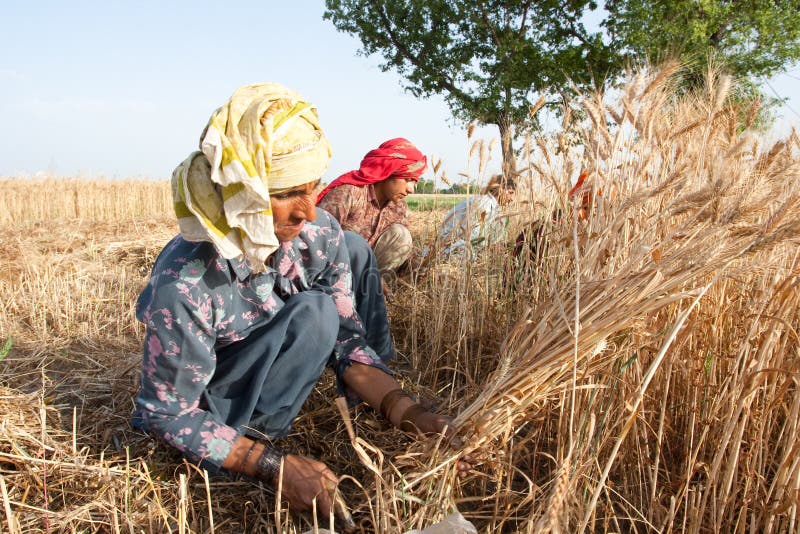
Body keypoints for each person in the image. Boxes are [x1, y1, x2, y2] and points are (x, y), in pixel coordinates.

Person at [131, 83, 459, 519]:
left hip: (264, 367)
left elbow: (347, 340)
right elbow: (167, 413)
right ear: (241, 193)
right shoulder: (186, 282)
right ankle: (237, 443)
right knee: (311, 315)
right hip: (211, 396)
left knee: (319, 312)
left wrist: (409, 411)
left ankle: (261, 430)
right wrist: (271, 467)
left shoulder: (319, 236)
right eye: (285, 193)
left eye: (313, 187)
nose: (307, 210)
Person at [316, 138, 427, 275]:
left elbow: (402, 252)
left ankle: (375, 288)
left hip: (371, 274)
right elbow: (317, 241)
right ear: (388, 171)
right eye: (407, 179)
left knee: (401, 234)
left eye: (415, 182)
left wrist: (421, 270)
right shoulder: (348, 193)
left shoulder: (398, 207)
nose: (411, 189)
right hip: (333, 271)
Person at [436, 174, 516, 256]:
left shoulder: (492, 205)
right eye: (510, 193)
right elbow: (473, 236)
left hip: (459, 243)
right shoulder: (484, 204)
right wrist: (491, 246)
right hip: (451, 245)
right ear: (501, 190)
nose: (511, 198)